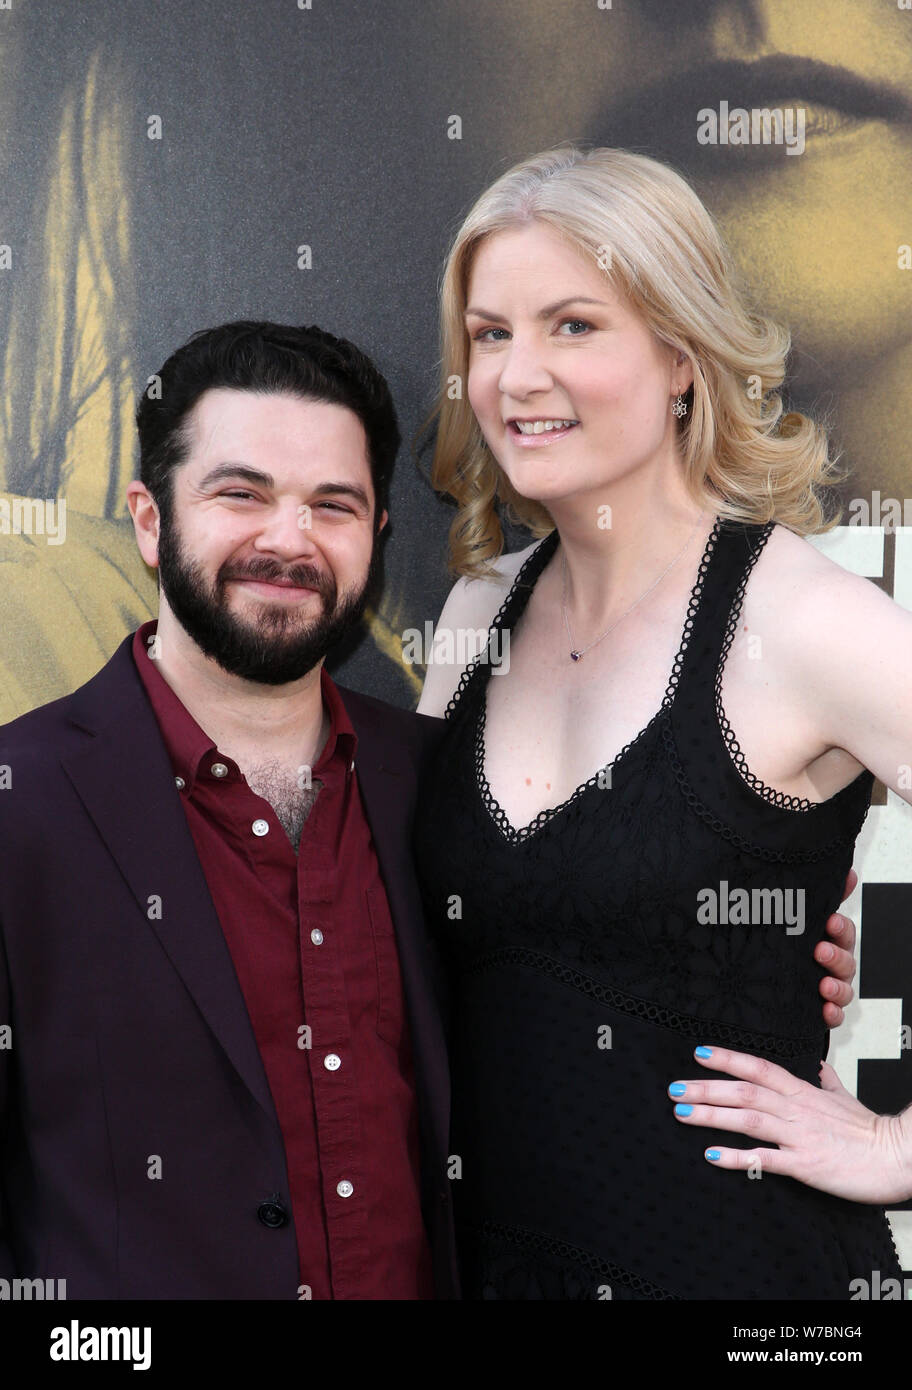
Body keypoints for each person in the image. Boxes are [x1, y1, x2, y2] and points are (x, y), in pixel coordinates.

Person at [414, 144, 911, 1300]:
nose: (518, 375)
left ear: (682, 356)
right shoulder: (480, 609)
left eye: (574, 325)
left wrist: (893, 1149)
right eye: (490, 334)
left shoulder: (806, 622)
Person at [0, 321, 458, 1300]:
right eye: (240, 493)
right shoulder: (20, 802)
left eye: (333, 505)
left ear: (378, 536)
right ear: (149, 517)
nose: (287, 539)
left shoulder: (439, 783)